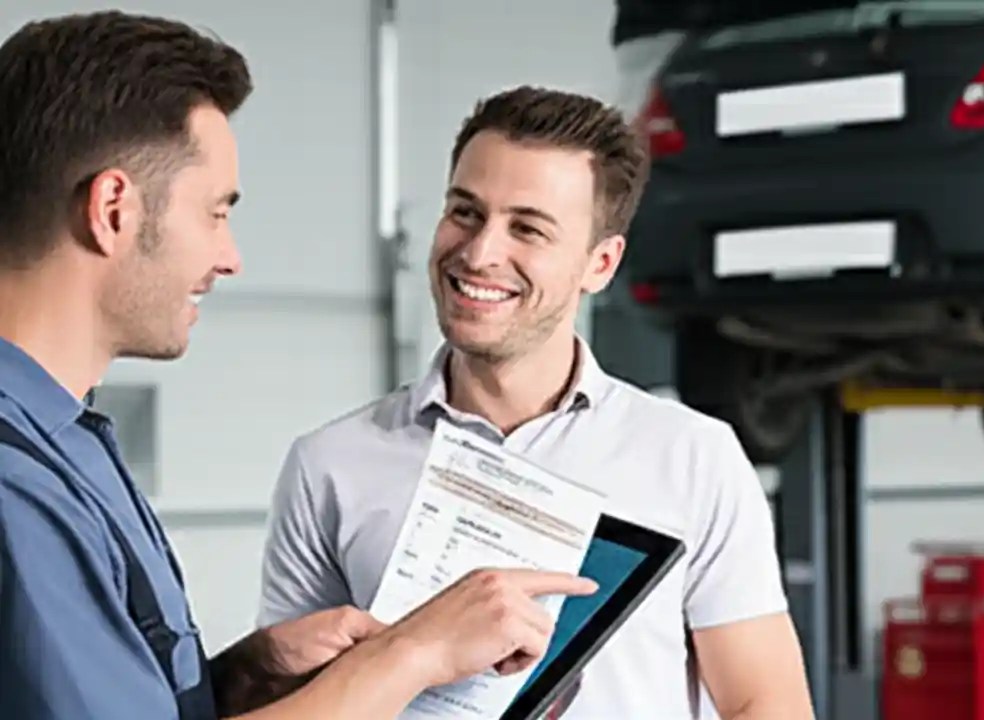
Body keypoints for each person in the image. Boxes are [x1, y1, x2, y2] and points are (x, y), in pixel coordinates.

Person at [0, 11, 597, 720]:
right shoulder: (18, 485)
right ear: (113, 210)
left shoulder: (64, 442)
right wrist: (413, 654)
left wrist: (240, 679)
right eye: (216, 213)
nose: (229, 257)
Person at [256, 85, 816, 719]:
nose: (480, 253)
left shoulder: (693, 459)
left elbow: (764, 703)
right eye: (465, 212)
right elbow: (292, 699)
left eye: (527, 228)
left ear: (600, 264)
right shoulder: (330, 466)